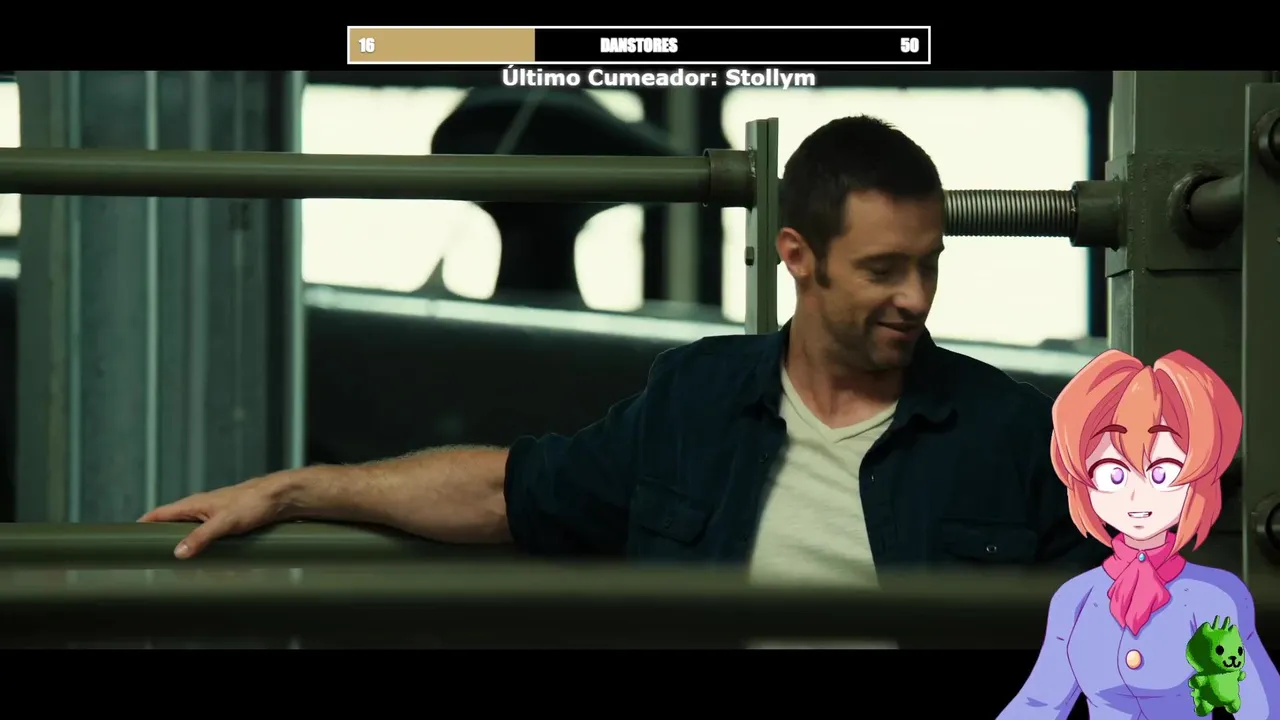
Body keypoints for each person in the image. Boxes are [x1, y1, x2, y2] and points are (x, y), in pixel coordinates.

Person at [142, 116, 1102, 587]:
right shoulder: (697, 399)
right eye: (884, 270)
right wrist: (295, 492)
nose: (918, 298)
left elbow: (1111, 627)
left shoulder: (1013, 432)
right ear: (798, 258)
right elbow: (509, 490)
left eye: (929, 265)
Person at [998, 349, 1280, 719]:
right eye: (1113, 473)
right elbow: (1040, 702)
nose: (1136, 496)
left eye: (1162, 473)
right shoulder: (1075, 599)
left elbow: (1258, 706)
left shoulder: (1215, 598)